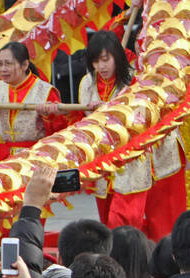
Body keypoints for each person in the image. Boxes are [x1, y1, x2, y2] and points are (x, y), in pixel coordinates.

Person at [76, 30, 184, 239]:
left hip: (139, 158)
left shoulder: (138, 80)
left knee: (137, 221)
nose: (102, 67)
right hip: (105, 162)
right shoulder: (86, 84)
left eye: (106, 60)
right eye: (96, 61)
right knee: (107, 222)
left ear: (118, 55)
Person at [0, 40, 67, 161]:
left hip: (37, 157)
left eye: (8, 64)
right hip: (6, 158)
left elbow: (60, 131)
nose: (3, 69)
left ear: (25, 65)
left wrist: (49, 114)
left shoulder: (45, 91)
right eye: (0, 64)